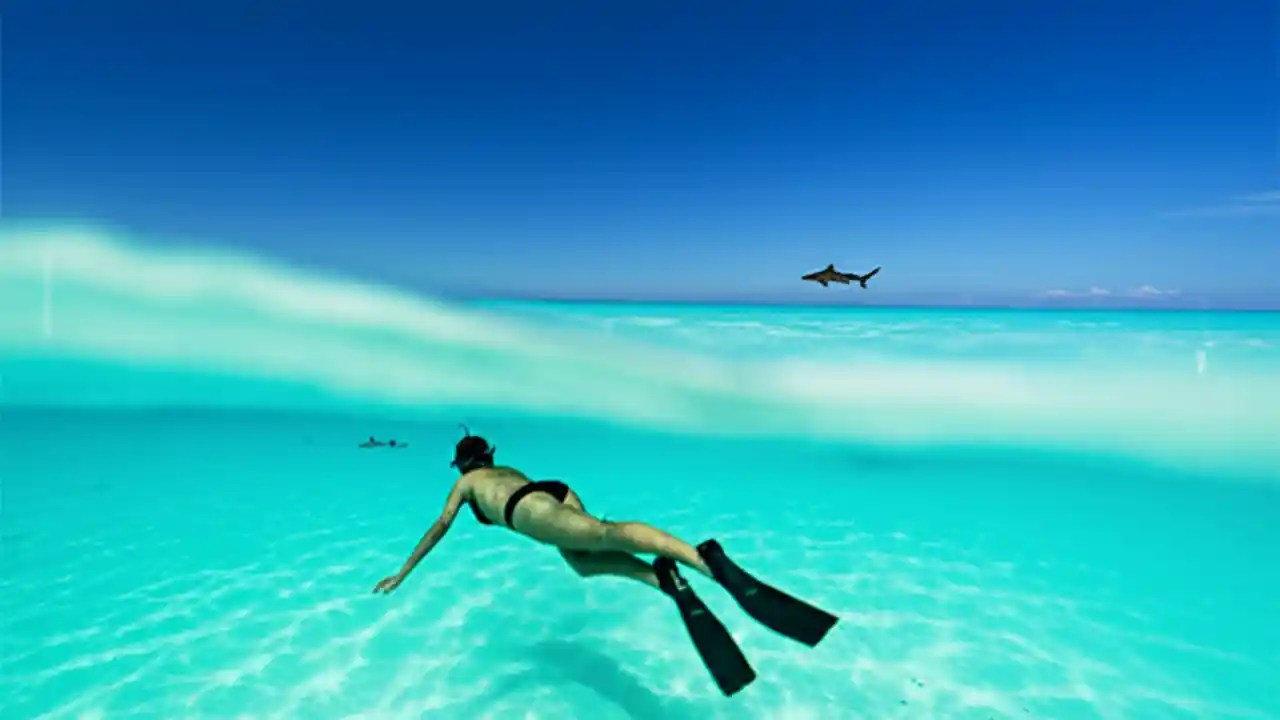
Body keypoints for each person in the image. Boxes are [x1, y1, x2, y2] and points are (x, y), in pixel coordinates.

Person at [372, 426, 837, 696]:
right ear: (489, 455)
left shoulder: (467, 483)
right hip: (550, 489)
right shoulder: (502, 469)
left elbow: (439, 526)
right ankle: (662, 578)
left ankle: (702, 561)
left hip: (527, 511)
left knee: (601, 536)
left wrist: (403, 572)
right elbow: (535, 494)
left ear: (461, 465)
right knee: (582, 559)